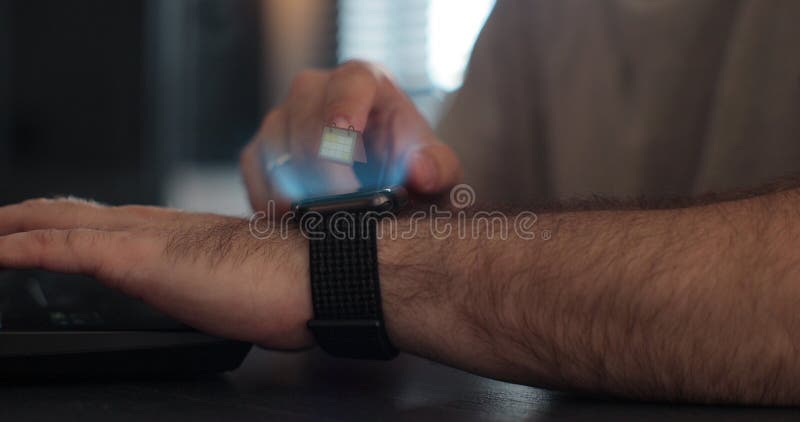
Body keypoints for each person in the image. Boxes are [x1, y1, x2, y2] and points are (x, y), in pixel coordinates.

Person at [2, 0, 800, 404]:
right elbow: (462, 247)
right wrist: (358, 201)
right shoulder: (538, 18)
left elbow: (412, 278)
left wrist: (344, 265)